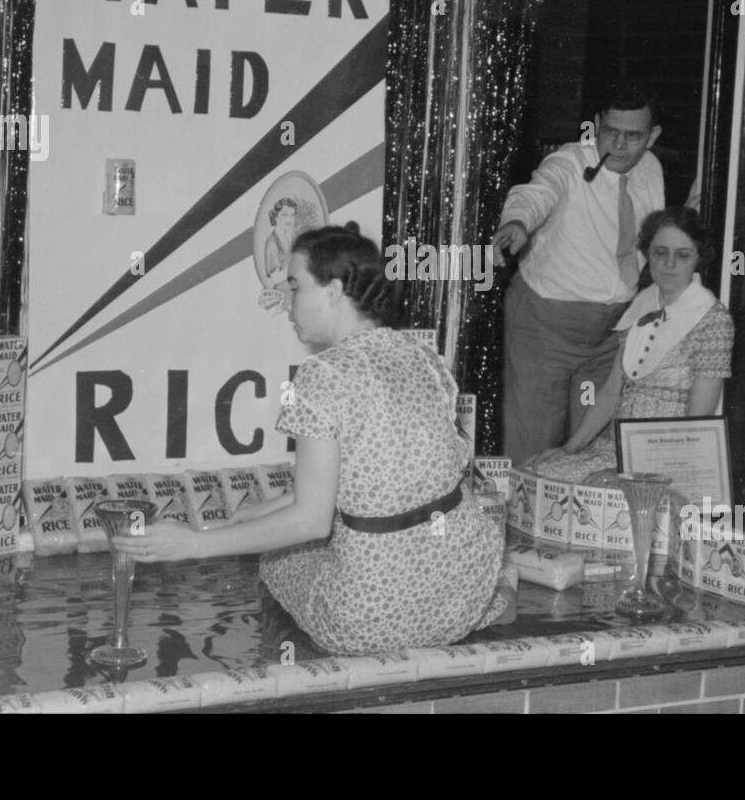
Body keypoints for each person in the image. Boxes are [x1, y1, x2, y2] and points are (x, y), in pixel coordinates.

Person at [114, 223, 506, 655]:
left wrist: (192, 544)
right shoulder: (422, 358)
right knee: (289, 531)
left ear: (334, 290)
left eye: (295, 287)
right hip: (462, 591)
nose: (286, 302)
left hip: (375, 618)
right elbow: (378, 482)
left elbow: (310, 520)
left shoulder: (324, 375)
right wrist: (247, 516)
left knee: (279, 560)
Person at [492, 81, 666, 465]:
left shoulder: (652, 170)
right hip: (545, 330)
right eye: (610, 132)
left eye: (633, 136)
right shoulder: (569, 162)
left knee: (592, 448)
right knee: (533, 447)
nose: (618, 146)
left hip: (610, 335)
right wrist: (518, 222)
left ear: (652, 137)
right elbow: (536, 193)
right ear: (597, 123)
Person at [525, 207, 733, 482]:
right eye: (660, 252)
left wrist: (630, 477)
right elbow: (611, 392)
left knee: (587, 488)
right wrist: (569, 448)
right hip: (617, 449)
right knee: (535, 471)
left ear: (698, 259)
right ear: (647, 254)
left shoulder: (712, 319)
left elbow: (694, 428)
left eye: (682, 255)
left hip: (670, 465)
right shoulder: (641, 307)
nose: (670, 264)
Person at [263, 197, 299, 286]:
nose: (289, 219)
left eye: (292, 215)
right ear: (275, 217)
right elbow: (275, 277)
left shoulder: (293, 237)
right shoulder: (272, 242)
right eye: (285, 215)